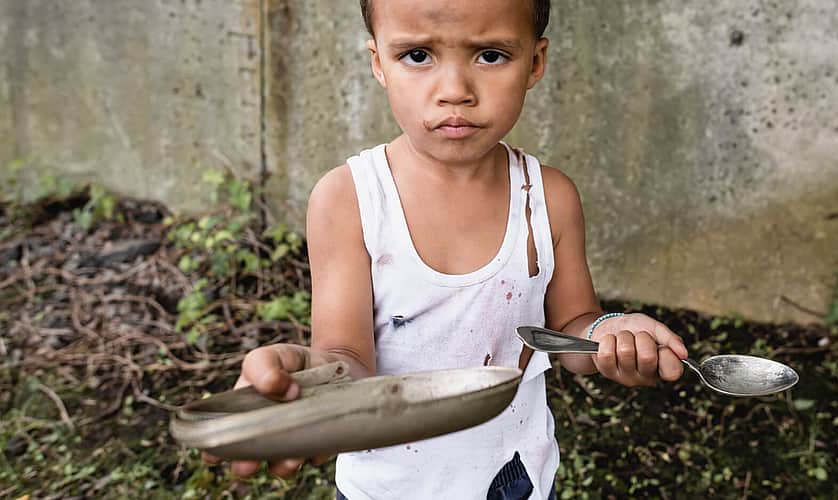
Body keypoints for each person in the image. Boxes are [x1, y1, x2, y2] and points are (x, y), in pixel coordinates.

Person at [204, 0, 689, 498]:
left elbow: (571, 327)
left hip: (514, 476)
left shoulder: (549, 198)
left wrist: (610, 334)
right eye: (417, 55)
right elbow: (346, 355)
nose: (455, 91)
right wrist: (316, 382)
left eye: (491, 55)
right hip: (387, 486)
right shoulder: (350, 199)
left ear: (535, 63)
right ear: (378, 63)